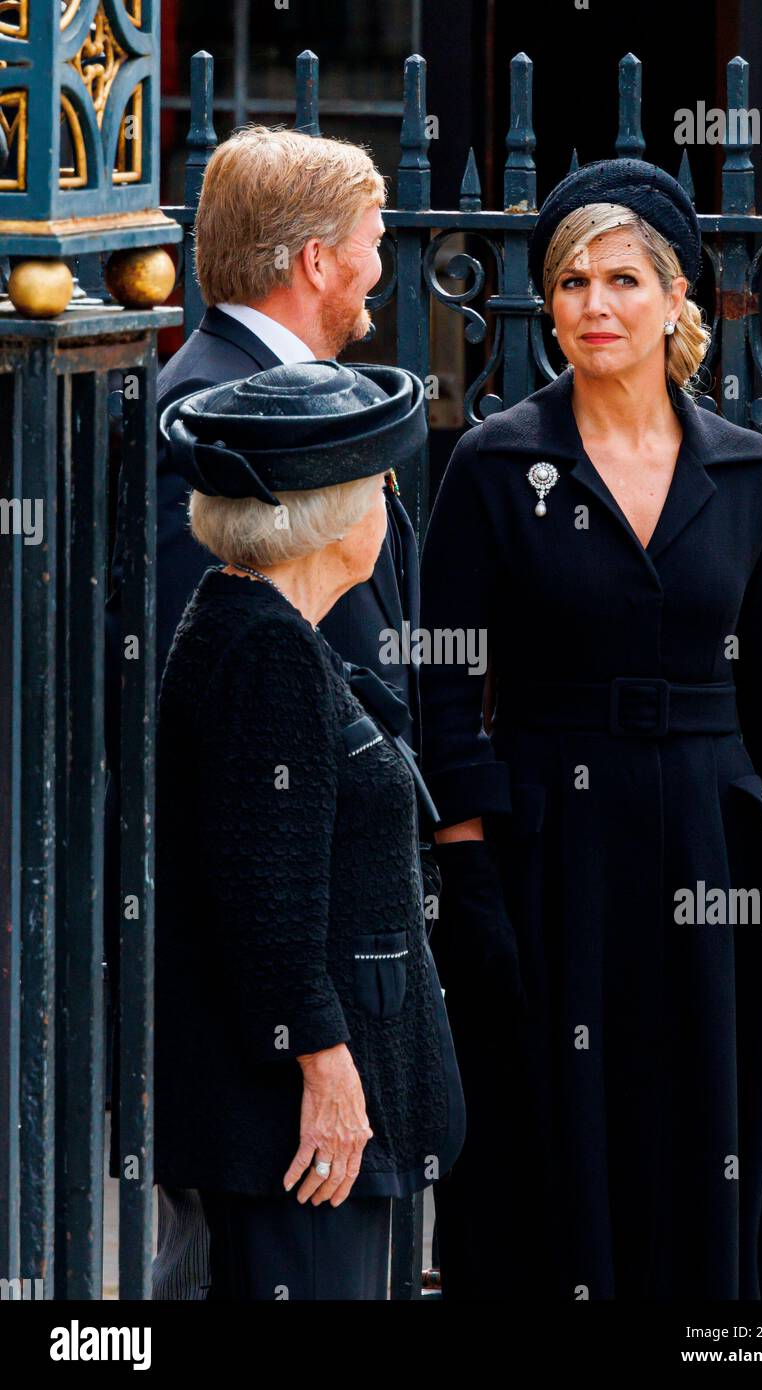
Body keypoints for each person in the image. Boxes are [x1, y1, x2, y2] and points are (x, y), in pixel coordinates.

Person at [418, 158, 762, 1300]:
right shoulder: (494, 461)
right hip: (553, 847)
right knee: (558, 1139)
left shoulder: (746, 470)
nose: (590, 306)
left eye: (618, 280)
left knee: (702, 1126)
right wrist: (469, 873)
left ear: (673, 302)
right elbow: (447, 693)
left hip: (711, 852)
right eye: (567, 283)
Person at [104, 125, 425, 1297]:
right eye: (373, 245)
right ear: (315, 260)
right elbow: (228, 751)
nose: (384, 270)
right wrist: (315, 1043)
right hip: (270, 1030)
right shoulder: (215, 418)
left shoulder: (269, 395)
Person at [152, 359, 464, 1300]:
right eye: (380, 484)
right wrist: (328, 1078)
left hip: (293, 1123)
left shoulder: (262, 627)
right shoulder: (264, 651)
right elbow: (267, 902)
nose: (391, 506)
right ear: (331, 515)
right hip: (292, 1135)